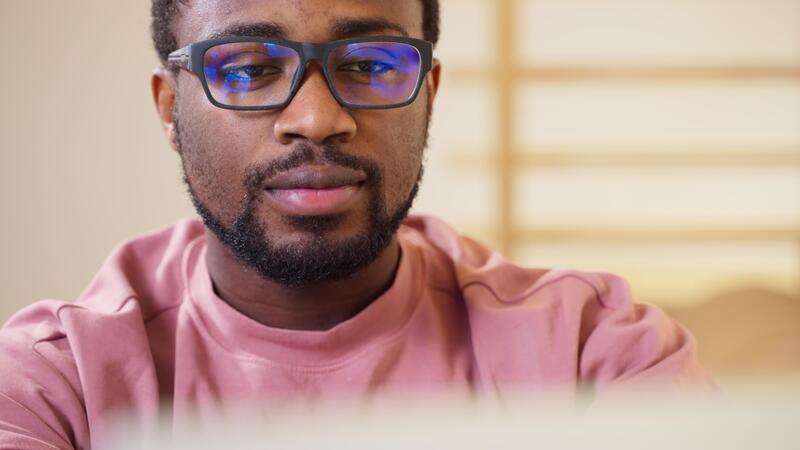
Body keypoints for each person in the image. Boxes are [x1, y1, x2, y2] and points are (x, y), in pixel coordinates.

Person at [0, 0, 712, 448]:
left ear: (428, 96)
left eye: (371, 63)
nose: (316, 119)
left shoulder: (595, 353)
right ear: (168, 112)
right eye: (248, 70)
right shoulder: (55, 384)